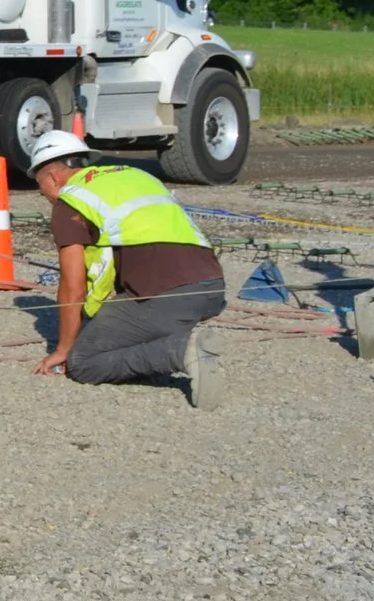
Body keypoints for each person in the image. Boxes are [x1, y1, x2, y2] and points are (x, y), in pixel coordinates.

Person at [27, 129, 227, 407]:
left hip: (169, 295)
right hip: (212, 285)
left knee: (83, 362)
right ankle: (172, 336)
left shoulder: (70, 200)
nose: (43, 195)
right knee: (114, 324)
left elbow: (72, 287)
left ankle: (181, 351)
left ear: (52, 177)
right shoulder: (134, 175)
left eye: (41, 186)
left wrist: (63, 349)